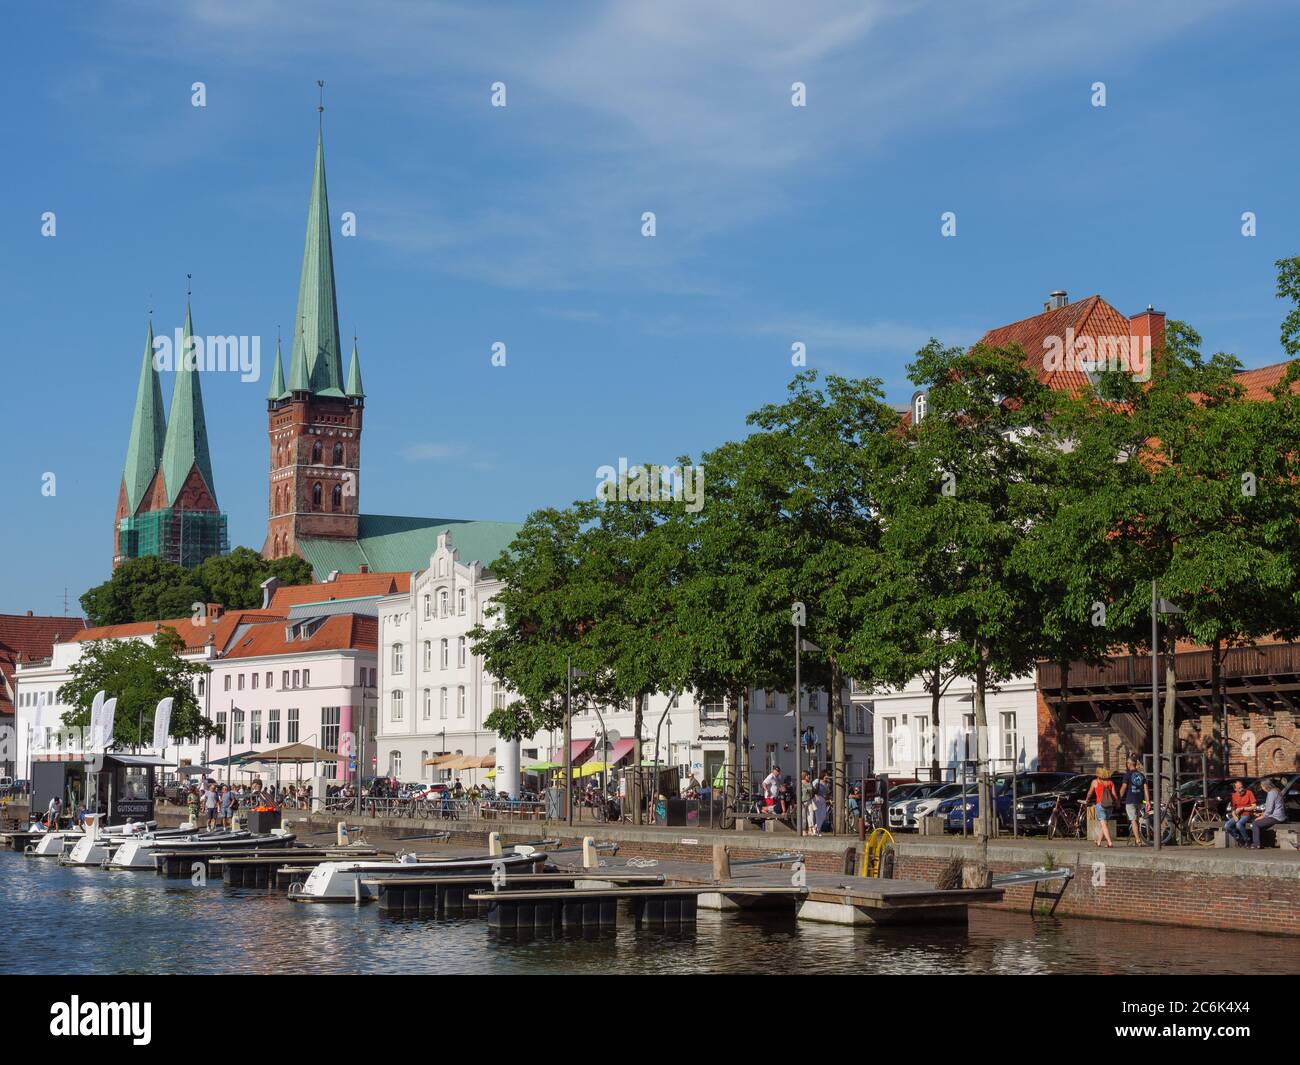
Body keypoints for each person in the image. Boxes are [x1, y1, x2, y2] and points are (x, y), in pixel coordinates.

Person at [1249, 778, 1289, 849]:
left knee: (1255, 824)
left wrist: (1262, 816)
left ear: (1265, 786)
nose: (1262, 788)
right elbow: (1270, 807)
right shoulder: (1276, 790)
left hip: (1276, 817)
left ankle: (1256, 844)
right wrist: (1262, 814)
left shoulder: (1271, 793)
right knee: (1259, 823)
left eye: (1262, 786)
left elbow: (1269, 809)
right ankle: (1264, 843)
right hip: (1279, 816)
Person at [1119, 756, 1150, 846]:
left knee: (1133, 820)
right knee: (1136, 820)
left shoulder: (1127, 775)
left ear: (1129, 764)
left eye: (1127, 763)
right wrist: (1147, 801)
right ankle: (1137, 838)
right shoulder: (1141, 775)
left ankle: (1138, 840)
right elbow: (1146, 789)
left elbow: (1123, 788)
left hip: (1130, 800)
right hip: (1140, 801)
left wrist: (1118, 798)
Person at [1085, 767, 1117, 848]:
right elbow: (1114, 795)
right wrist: (1117, 802)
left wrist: (1087, 800)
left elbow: (1089, 793)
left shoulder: (1095, 782)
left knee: (1104, 825)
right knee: (1104, 824)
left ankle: (1110, 843)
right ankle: (1098, 841)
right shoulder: (1110, 782)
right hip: (1110, 806)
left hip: (1100, 805)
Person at [1224, 779, 1257, 846]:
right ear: (1235, 789)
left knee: (1238, 824)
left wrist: (1243, 808)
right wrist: (1234, 815)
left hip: (1247, 814)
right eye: (1239, 788)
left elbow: (1254, 807)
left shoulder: (1249, 793)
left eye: (1242, 787)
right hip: (1238, 814)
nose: (1241, 789)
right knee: (1227, 826)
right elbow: (1233, 809)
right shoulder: (1234, 795)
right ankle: (1239, 838)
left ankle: (1247, 840)